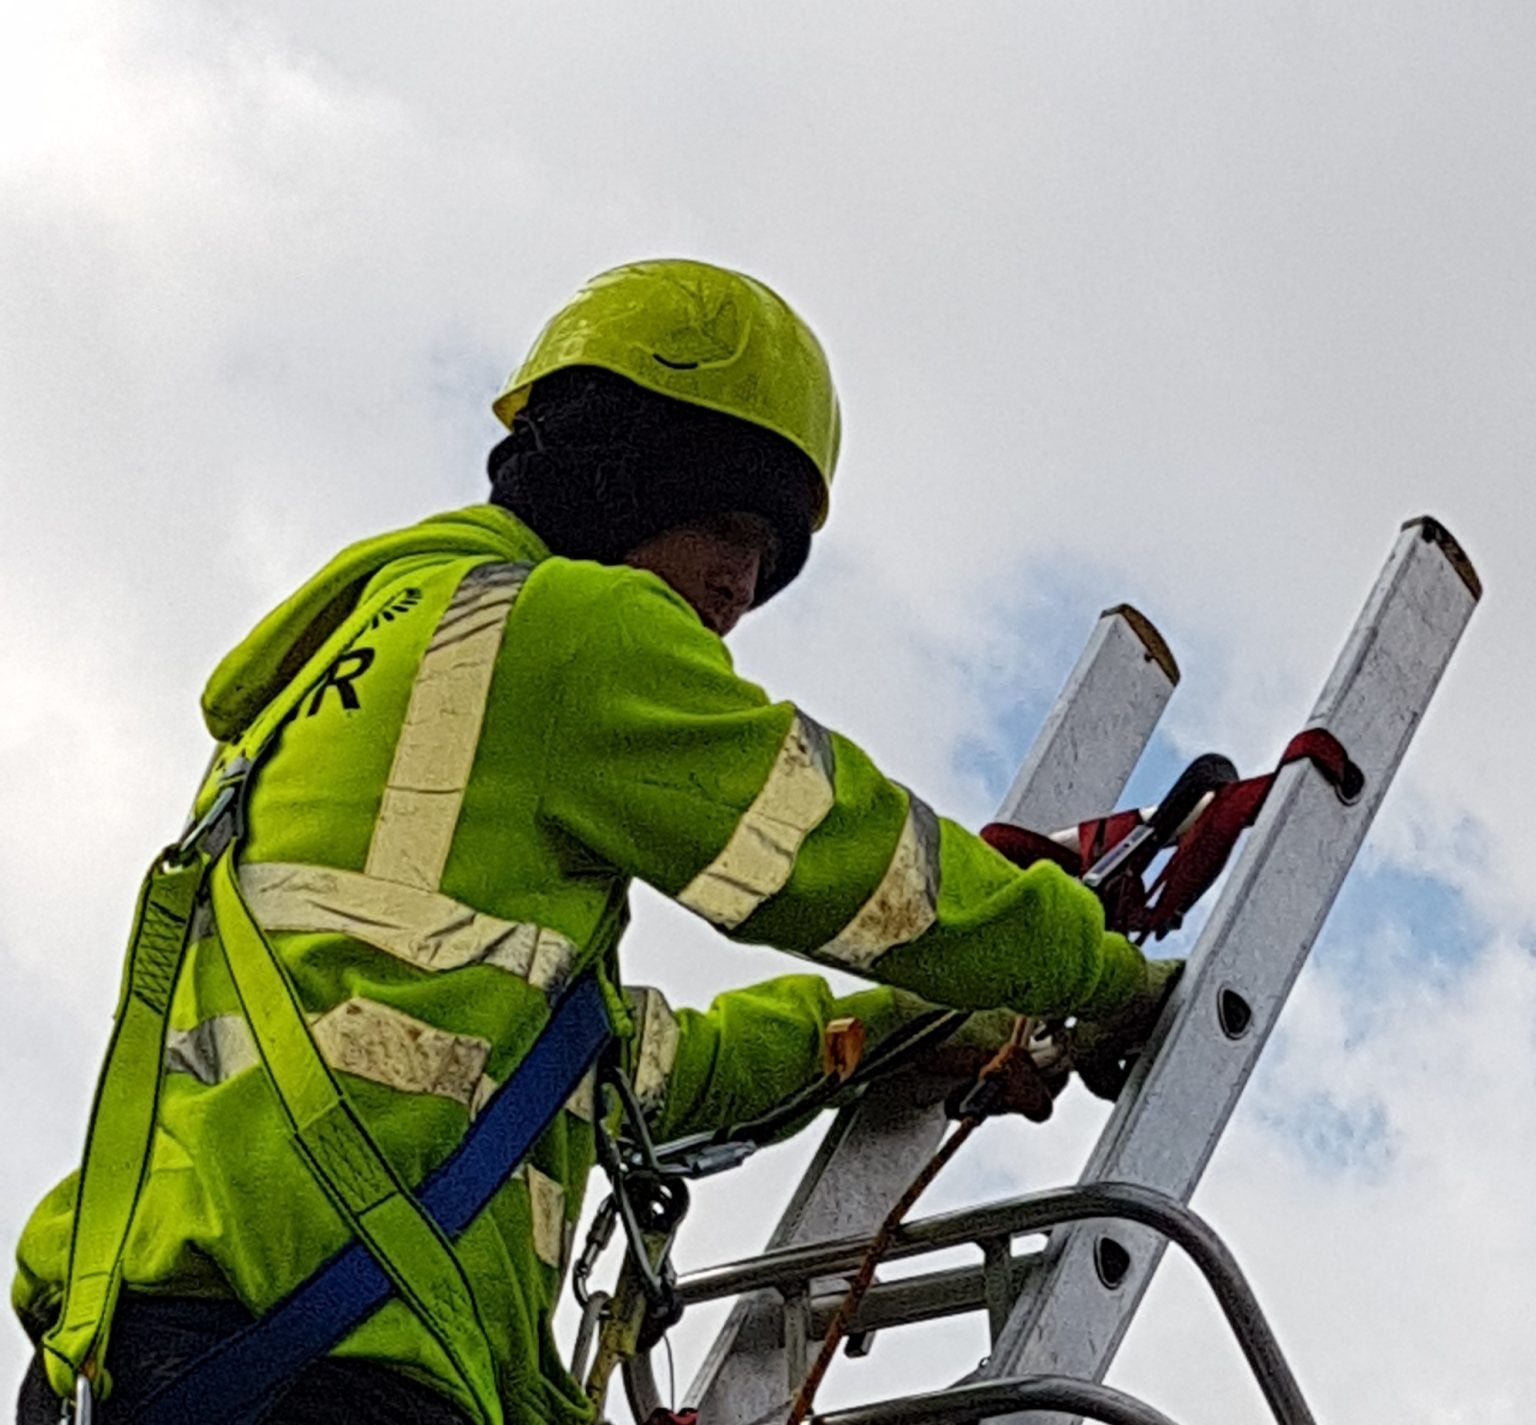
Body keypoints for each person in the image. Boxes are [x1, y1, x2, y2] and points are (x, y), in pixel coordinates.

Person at [13, 260, 1178, 1425]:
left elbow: (608, 1071)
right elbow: (845, 858)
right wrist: (1106, 976)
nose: (741, 585)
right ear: (632, 467)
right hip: (325, 1369)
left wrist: (867, 1038)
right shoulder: (562, 630)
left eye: (768, 561)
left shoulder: (324, 707)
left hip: (138, 1363)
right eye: (729, 523)